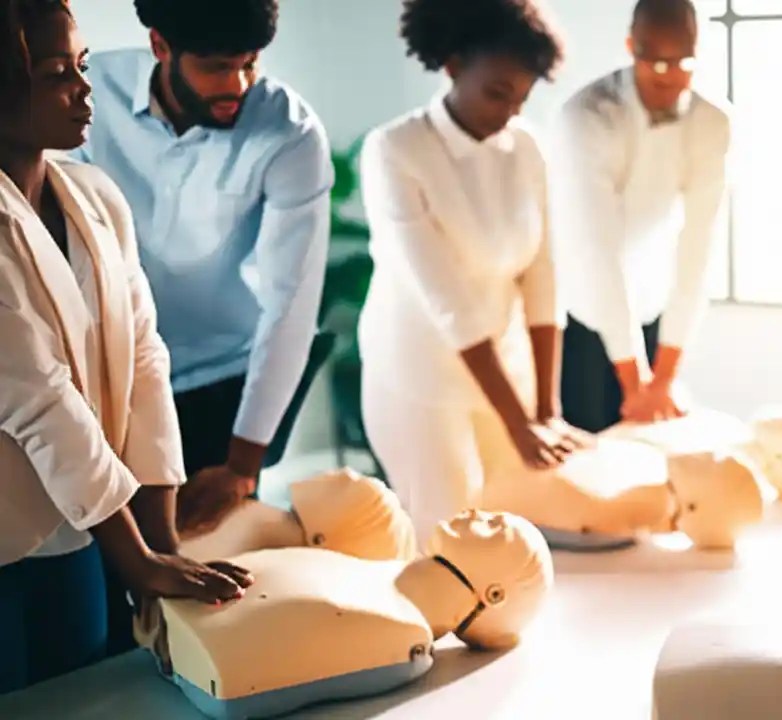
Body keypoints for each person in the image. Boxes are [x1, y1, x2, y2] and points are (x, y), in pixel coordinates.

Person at [0, 0, 252, 694]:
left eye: (81, 66)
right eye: (57, 74)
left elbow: (145, 357)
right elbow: (40, 399)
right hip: (10, 536)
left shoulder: (97, 197)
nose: (85, 90)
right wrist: (137, 560)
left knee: (90, 696)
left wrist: (162, 541)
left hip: (80, 532)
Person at [69, 0, 332, 534]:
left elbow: (292, 303)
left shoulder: (291, 132)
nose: (238, 84)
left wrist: (242, 464)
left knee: (217, 562)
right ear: (162, 46)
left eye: (250, 62)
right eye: (217, 67)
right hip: (117, 376)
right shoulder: (86, 98)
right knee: (122, 567)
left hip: (223, 379)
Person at [358, 0, 587, 540]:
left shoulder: (525, 146)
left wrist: (545, 409)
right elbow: (448, 302)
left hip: (505, 368)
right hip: (420, 374)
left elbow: (543, 275)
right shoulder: (396, 149)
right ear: (454, 65)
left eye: (523, 98)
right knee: (447, 533)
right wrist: (519, 421)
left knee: (507, 538)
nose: (510, 111)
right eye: (497, 93)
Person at [552, 0, 731, 433]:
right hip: (588, 311)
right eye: (655, 62)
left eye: (683, 61)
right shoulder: (587, 116)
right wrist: (633, 382)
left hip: (653, 300)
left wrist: (663, 378)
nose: (669, 76)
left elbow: (699, 247)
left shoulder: (712, 122)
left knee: (652, 450)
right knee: (590, 459)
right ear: (631, 47)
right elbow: (599, 250)